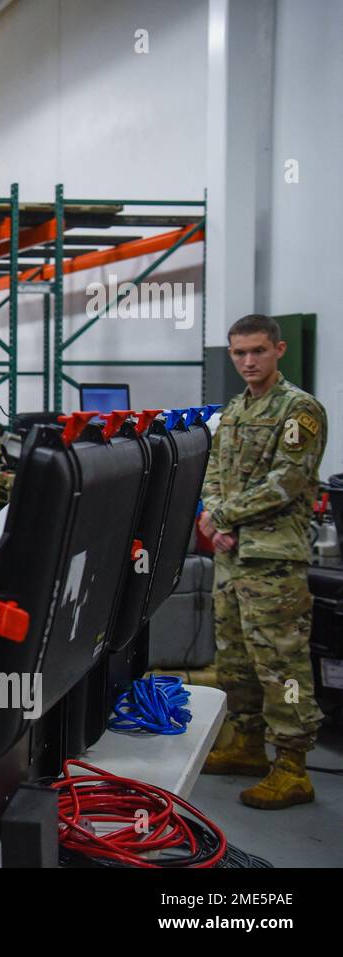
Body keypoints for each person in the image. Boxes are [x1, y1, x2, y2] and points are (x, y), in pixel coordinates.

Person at [199, 313, 328, 810]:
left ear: (279, 350)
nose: (248, 361)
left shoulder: (299, 410)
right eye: (239, 353)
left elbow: (287, 482)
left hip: (274, 561)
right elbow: (214, 470)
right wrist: (214, 513)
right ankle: (248, 746)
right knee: (235, 660)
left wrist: (223, 516)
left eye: (257, 351)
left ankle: (292, 765)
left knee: (283, 665)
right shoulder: (235, 409)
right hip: (233, 560)